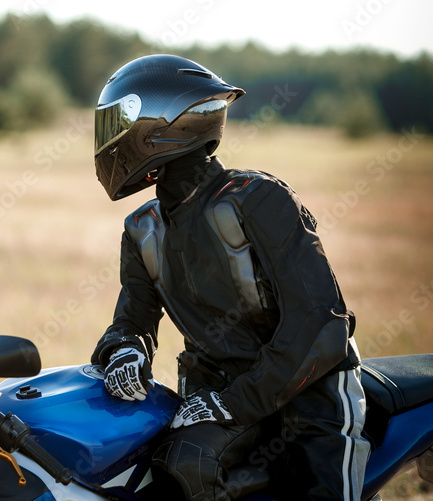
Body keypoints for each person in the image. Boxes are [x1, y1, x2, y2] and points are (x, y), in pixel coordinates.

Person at [89, 54, 370, 501]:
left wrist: (231, 404)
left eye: (118, 122)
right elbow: (133, 320)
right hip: (218, 401)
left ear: (163, 125)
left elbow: (320, 325)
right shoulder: (143, 228)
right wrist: (123, 350)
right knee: (168, 473)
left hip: (310, 398)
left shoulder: (259, 199)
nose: (108, 139)